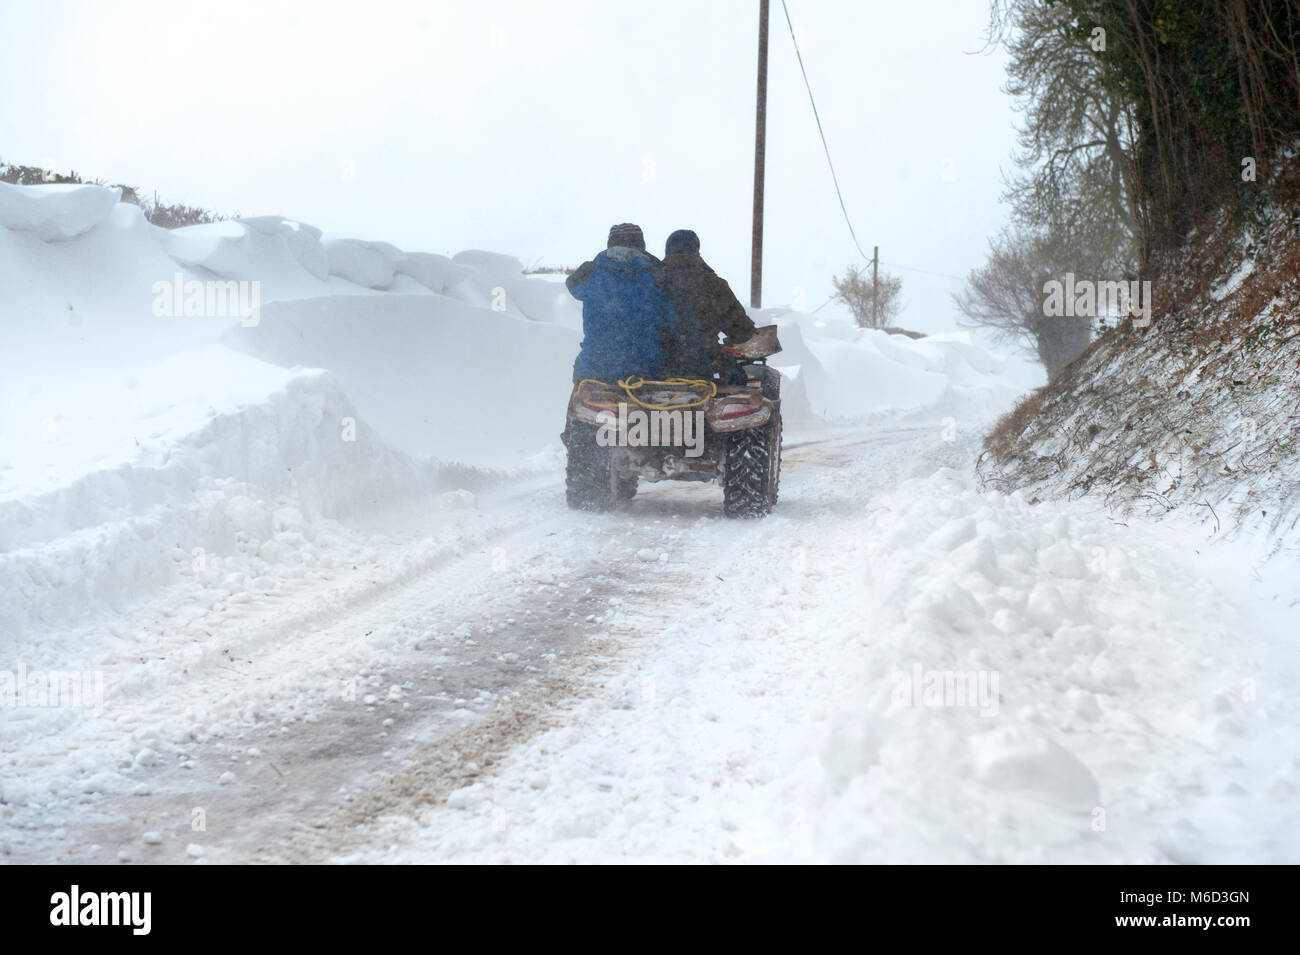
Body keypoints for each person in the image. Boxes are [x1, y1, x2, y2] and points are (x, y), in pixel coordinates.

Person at [566, 223, 709, 382]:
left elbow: (572, 284)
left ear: (610, 244)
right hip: (646, 371)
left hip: (595, 369)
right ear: (642, 245)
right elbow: (677, 323)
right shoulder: (657, 275)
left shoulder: (590, 273)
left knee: (580, 374)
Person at [659, 229, 756, 384]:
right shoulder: (714, 284)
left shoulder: (652, 280)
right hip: (700, 366)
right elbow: (742, 331)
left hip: (656, 367)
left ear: (667, 251)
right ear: (697, 251)